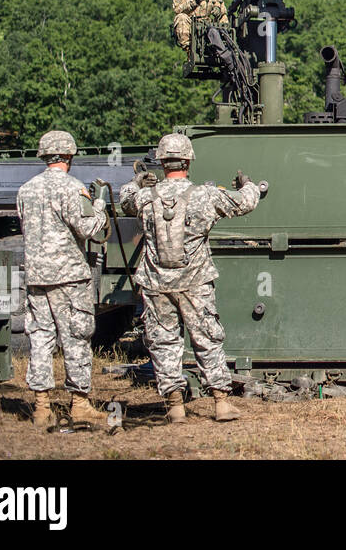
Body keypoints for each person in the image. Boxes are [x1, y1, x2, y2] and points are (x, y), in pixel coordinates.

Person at [119, 133, 263, 423]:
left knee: (163, 343)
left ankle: (175, 407)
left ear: (161, 162)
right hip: (195, 282)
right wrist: (249, 185)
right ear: (187, 161)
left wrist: (137, 182)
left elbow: (125, 200)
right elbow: (244, 203)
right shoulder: (204, 195)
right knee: (207, 339)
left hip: (157, 283)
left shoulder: (146, 197)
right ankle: (221, 404)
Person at [18, 130, 108, 428]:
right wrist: (100, 207)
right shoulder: (73, 189)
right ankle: (79, 404)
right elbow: (88, 230)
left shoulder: (26, 190)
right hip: (69, 277)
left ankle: (41, 408)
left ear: (45, 155)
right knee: (76, 338)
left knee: (40, 339)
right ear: (69, 156)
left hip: (36, 277)